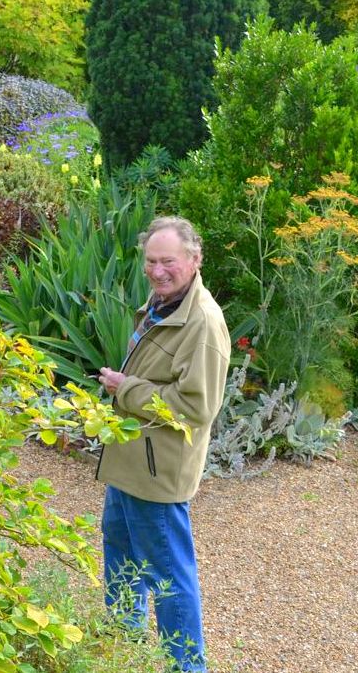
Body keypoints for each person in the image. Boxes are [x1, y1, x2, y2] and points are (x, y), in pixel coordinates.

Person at [95, 216, 230, 673]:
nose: (156, 270)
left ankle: (187, 667)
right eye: (150, 261)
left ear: (194, 260)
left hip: (158, 471)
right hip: (128, 460)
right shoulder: (163, 303)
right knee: (120, 551)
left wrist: (125, 389)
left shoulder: (203, 324)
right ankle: (125, 644)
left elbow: (195, 408)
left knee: (169, 577)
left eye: (167, 261)